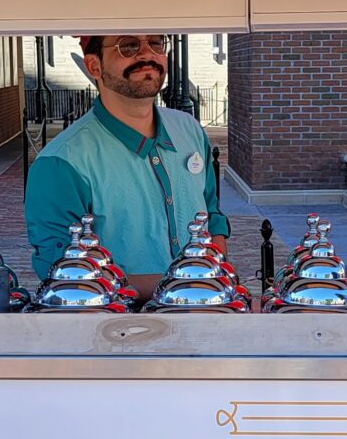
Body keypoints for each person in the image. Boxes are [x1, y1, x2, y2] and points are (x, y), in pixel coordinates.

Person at [25, 34, 228, 281]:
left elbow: (211, 214)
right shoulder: (60, 162)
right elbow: (62, 270)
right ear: (93, 66)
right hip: (118, 317)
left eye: (155, 43)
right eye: (128, 46)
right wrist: (176, 288)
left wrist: (216, 272)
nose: (147, 54)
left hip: (205, 307)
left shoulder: (190, 130)